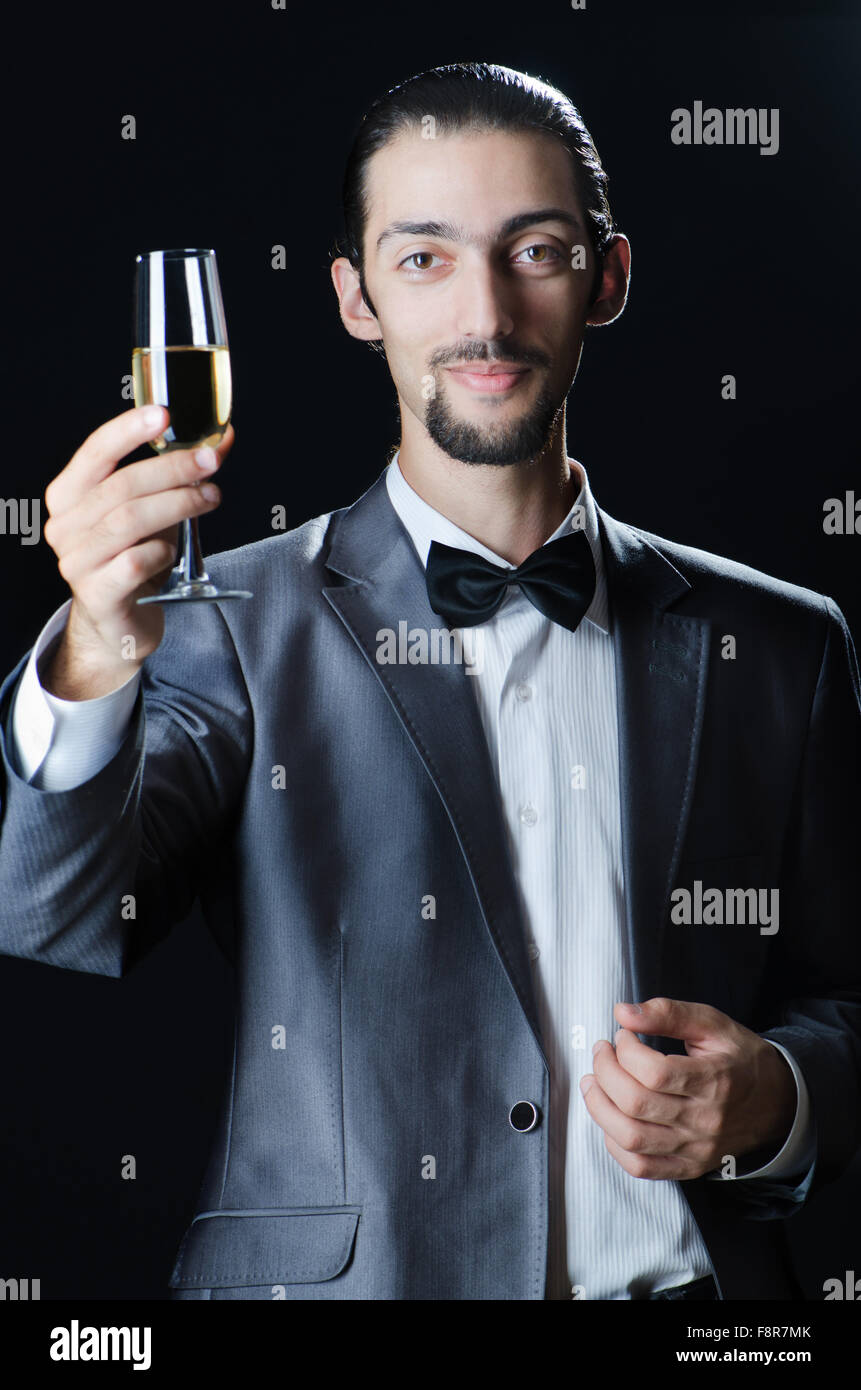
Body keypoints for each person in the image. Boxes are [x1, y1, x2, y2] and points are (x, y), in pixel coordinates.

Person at [0, 60, 859, 1301]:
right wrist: (92, 638)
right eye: (424, 259)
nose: (488, 315)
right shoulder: (230, 621)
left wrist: (777, 1096)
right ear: (356, 300)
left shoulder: (786, 642)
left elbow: (849, 996)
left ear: (608, 279)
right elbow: (56, 910)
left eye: (538, 250)